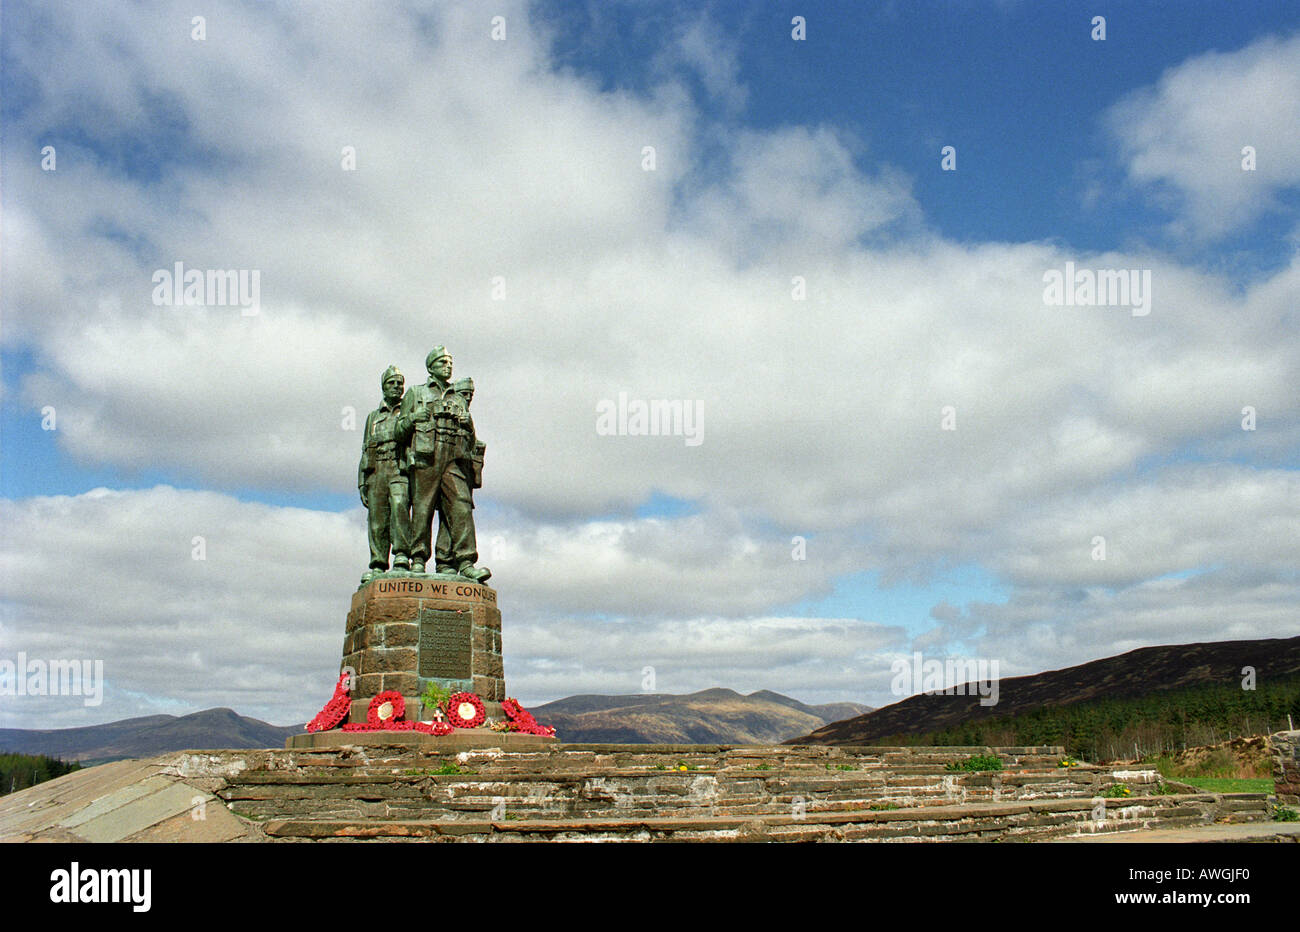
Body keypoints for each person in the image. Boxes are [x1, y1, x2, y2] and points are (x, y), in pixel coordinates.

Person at [395, 347, 491, 581]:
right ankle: (418, 558)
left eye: (450, 362)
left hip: (453, 457)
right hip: (426, 456)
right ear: (431, 366)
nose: (448, 366)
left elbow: (471, 437)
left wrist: (468, 424)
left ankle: (465, 561)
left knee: (461, 506)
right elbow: (398, 432)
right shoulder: (415, 393)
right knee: (422, 507)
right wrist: (411, 419)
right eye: (442, 362)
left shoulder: (458, 397)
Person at [358, 365, 411, 584]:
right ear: (383, 387)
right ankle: (378, 563)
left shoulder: (408, 411)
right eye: (392, 383)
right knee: (377, 520)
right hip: (377, 471)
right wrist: (362, 482)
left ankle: (401, 556)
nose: (397, 387)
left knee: (399, 507)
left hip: (398, 468)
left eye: (400, 383)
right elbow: (364, 450)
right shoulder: (372, 417)